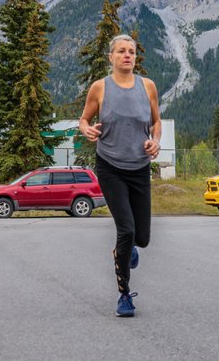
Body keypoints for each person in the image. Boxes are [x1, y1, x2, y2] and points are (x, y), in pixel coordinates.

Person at [78, 34, 162, 318]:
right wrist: (86, 129)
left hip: (139, 168)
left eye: (132, 52)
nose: (128, 55)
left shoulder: (147, 86)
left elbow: (157, 121)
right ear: (111, 57)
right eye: (122, 51)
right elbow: (84, 119)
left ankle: (126, 251)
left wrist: (156, 141)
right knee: (125, 230)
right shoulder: (100, 88)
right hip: (110, 167)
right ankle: (124, 295)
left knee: (143, 238)